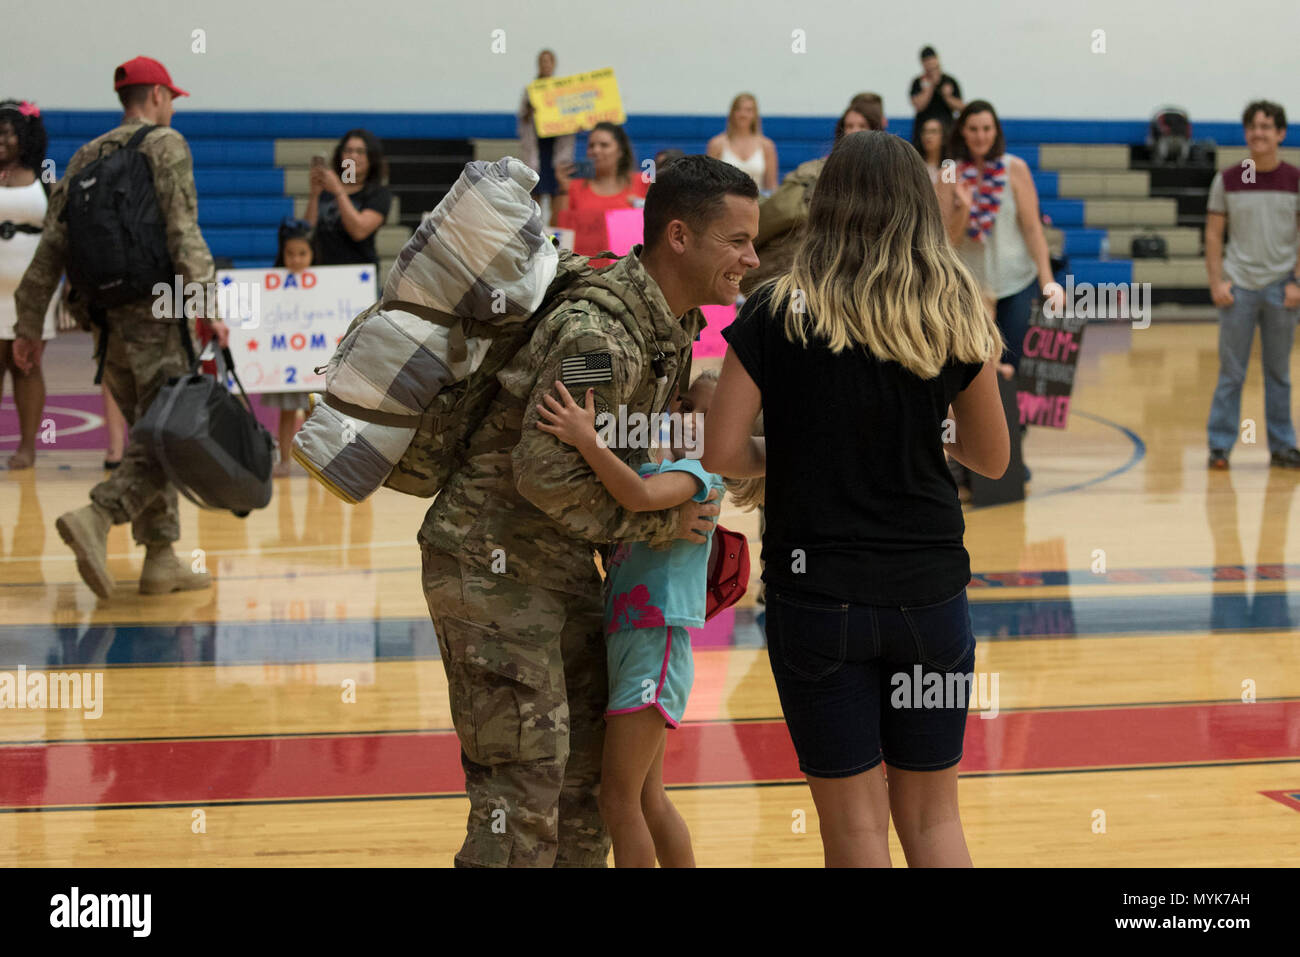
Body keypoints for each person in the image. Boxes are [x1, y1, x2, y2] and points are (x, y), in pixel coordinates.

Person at [418, 155, 758, 867]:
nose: (749, 258)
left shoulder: (672, 329)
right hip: (492, 567)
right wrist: (662, 519)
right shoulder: (597, 339)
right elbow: (543, 472)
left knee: (585, 793)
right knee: (524, 791)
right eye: (737, 241)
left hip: (565, 567)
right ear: (678, 237)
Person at [703, 130, 1009, 868]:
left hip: (819, 597)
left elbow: (721, 451)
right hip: (931, 598)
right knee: (935, 822)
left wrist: (809, 453)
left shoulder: (778, 309)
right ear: (915, 207)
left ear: (827, 206)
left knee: (855, 830)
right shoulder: (952, 304)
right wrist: (908, 444)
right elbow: (991, 457)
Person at [13, 56, 229, 599]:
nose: (173, 108)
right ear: (156, 95)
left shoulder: (86, 155)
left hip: (105, 325)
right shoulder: (165, 145)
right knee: (172, 438)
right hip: (160, 316)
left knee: (149, 433)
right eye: (172, 98)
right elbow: (184, 232)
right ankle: (97, 516)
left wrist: (28, 328)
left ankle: (161, 559)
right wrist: (208, 305)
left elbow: (49, 254)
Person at [533, 371, 725, 867]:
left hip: (653, 644)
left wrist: (585, 436)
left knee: (618, 801)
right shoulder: (668, 464)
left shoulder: (700, 478)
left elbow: (635, 498)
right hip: (633, 640)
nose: (682, 417)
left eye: (696, 412)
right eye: (682, 405)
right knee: (646, 798)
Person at [1204, 100, 1300, 470]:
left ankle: (1282, 446)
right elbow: (1214, 235)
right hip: (1238, 287)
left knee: (1279, 373)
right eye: (1252, 127)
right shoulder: (1228, 179)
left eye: (1266, 126)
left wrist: (1296, 282)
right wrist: (1216, 282)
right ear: (1246, 133)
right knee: (1231, 372)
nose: (1258, 133)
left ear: (1280, 134)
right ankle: (1220, 446)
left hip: (1282, 289)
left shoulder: (1294, 179)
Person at [742, 99, 884, 295]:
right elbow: (779, 214)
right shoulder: (814, 171)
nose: (853, 131)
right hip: (812, 268)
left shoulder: (885, 175)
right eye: (849, 126)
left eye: (861, 126)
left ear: (875, 129)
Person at [0, 99, 50, 470]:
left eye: (8, 132)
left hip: (31, 292)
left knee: (26, 366)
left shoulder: (44, 175)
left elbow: (60, 234)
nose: (1, 139)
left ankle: (28, 446)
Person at [264, 218, 315, 477]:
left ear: (313, 254)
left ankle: (314, 463)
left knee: (313, 412)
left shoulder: (325, 284)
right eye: (290, 254)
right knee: (286, 412)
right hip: (287, 360)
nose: (295, 260)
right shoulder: (274, 285)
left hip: (314, 360)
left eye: (302, 254)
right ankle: (285, 461)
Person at [553, 122, 647, 258]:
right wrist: (563, 190)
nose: (595, 151)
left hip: (629, 271)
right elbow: (558, 232)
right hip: (584, 271)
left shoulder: (642, 182)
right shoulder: (572, 187)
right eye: (591, 146)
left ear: (620, 151)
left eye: (604, 145)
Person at [306, 129, 392, 266]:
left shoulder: (379, 194)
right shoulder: (328, 188)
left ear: (371, 158)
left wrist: (339, 191)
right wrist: (314, 194)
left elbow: (359, 231)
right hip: (323, 271)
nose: (353, 156)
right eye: (348, 151)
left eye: (360, 152)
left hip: (359, 274)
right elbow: (307, 231)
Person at [517, 49, 576, 212]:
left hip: (556, 145)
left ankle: (554, 233)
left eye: (548, 61)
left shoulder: (562, 90)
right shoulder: (530, 91)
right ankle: (536, 231)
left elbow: (571, 116)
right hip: (537, 146)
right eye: (543, 61)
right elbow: (522, 118)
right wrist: (531, 110)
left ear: (553, 64)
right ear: (539, 64)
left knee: (557, 192)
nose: (546, 65)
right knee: (535, 192)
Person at [707, 93, 779, 192]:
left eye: (748, 110)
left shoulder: (767, 145)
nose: (743, 114)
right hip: (725, 204)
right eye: (738, 109)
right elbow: (710, 184)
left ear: (755, 114)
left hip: (758, 203)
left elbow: (771, 186)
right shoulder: (716, 144)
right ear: (732, 113)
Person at [909, 46, 964, 139]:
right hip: (923, 131)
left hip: (946, 130)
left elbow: (961, 107)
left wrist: (947, 97)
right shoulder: (918, 82)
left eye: (932, 61)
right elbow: (918, 106)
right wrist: (928, 88)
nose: (930, 65)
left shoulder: (949, 81)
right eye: (927, 62)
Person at [915, 116, 949, 185]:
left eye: (933, 132)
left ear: (944, 136)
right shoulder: (915, 165)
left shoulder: (952, 166)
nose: (928, 136)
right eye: (924, 131)